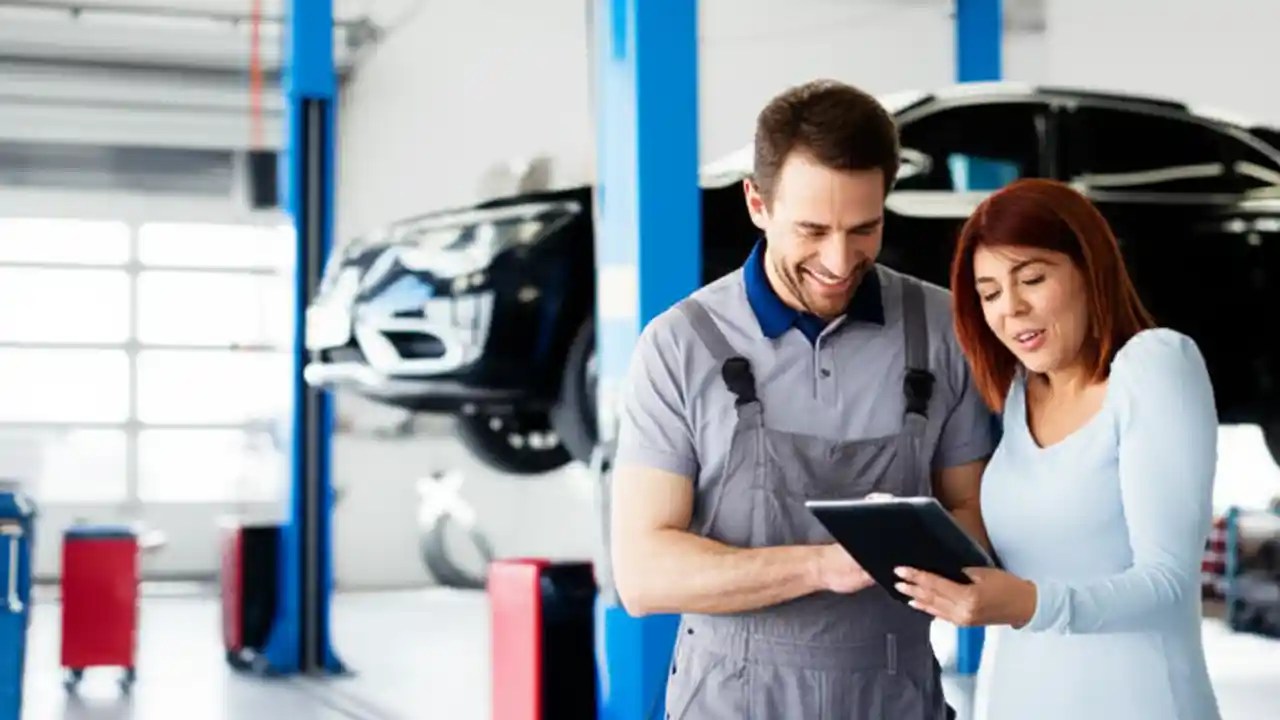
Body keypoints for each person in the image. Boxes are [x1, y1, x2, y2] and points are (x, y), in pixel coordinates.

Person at [609, 79, 997, 718]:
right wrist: (823, 566)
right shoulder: (681, 346)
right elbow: (645, 576)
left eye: (863, 228)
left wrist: (928, 545)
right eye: (812, 229)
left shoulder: (942, 331)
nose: (840, 261)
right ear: (757, 203)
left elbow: (978, 519)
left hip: (894, 701)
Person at [894, 178, 1223, 719]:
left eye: (1033, 279)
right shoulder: (1020, 394)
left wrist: (1028, 603)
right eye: (991, 293)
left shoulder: (1154, 365)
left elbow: (1169, 581)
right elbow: (1024, 551)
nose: (1012, 309)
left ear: (1089, 270)